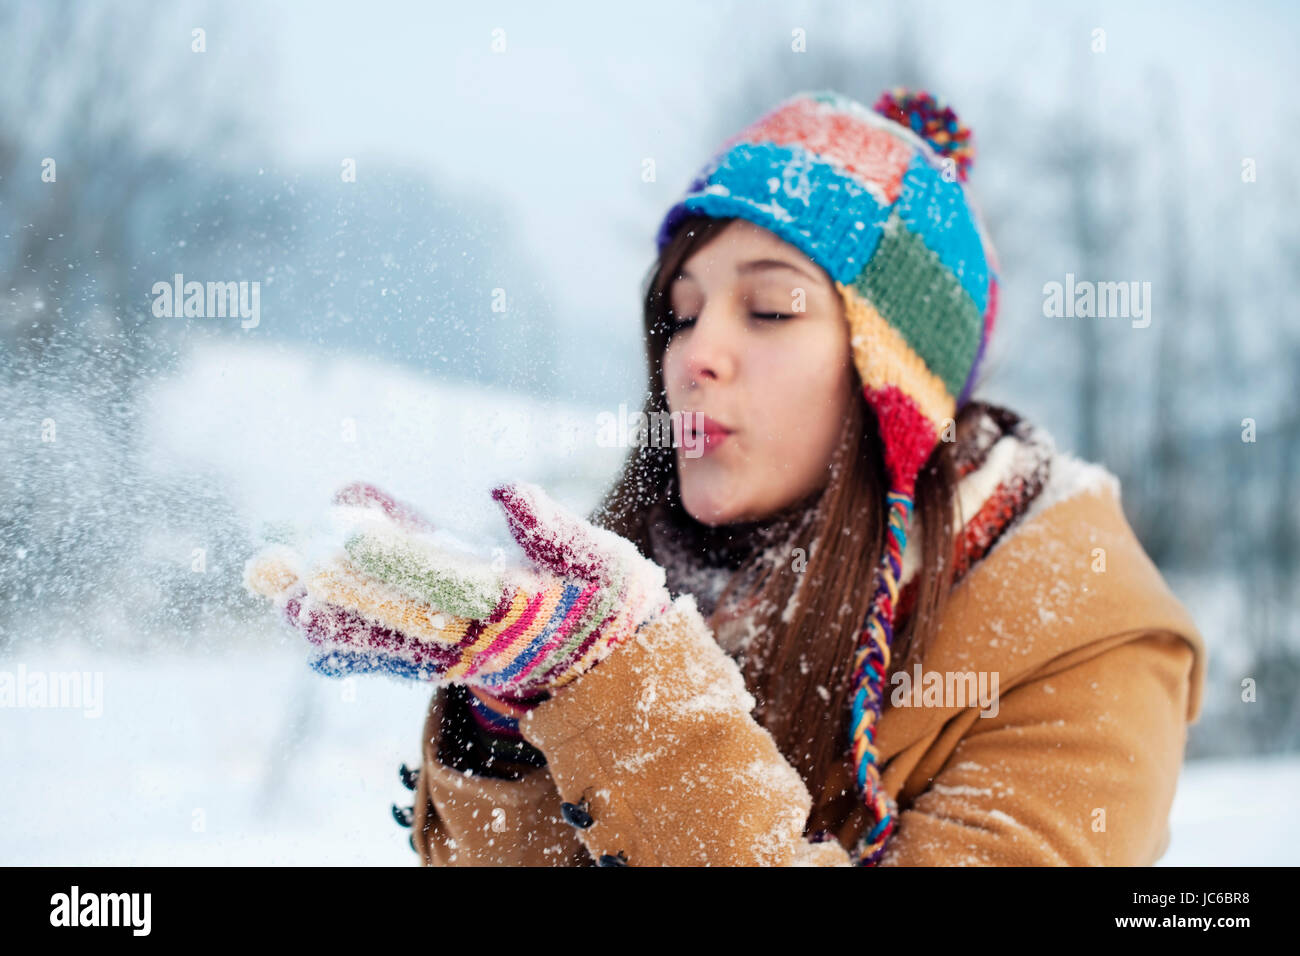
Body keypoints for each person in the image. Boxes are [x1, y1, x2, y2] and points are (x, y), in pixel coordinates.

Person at [248, 87, 1207, 866]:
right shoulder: (639, 584)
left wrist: (628, 695)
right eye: (683, 309)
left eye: (771, 309)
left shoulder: (1087, 638)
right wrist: (511, 715)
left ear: (893, 384)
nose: (693, 355)